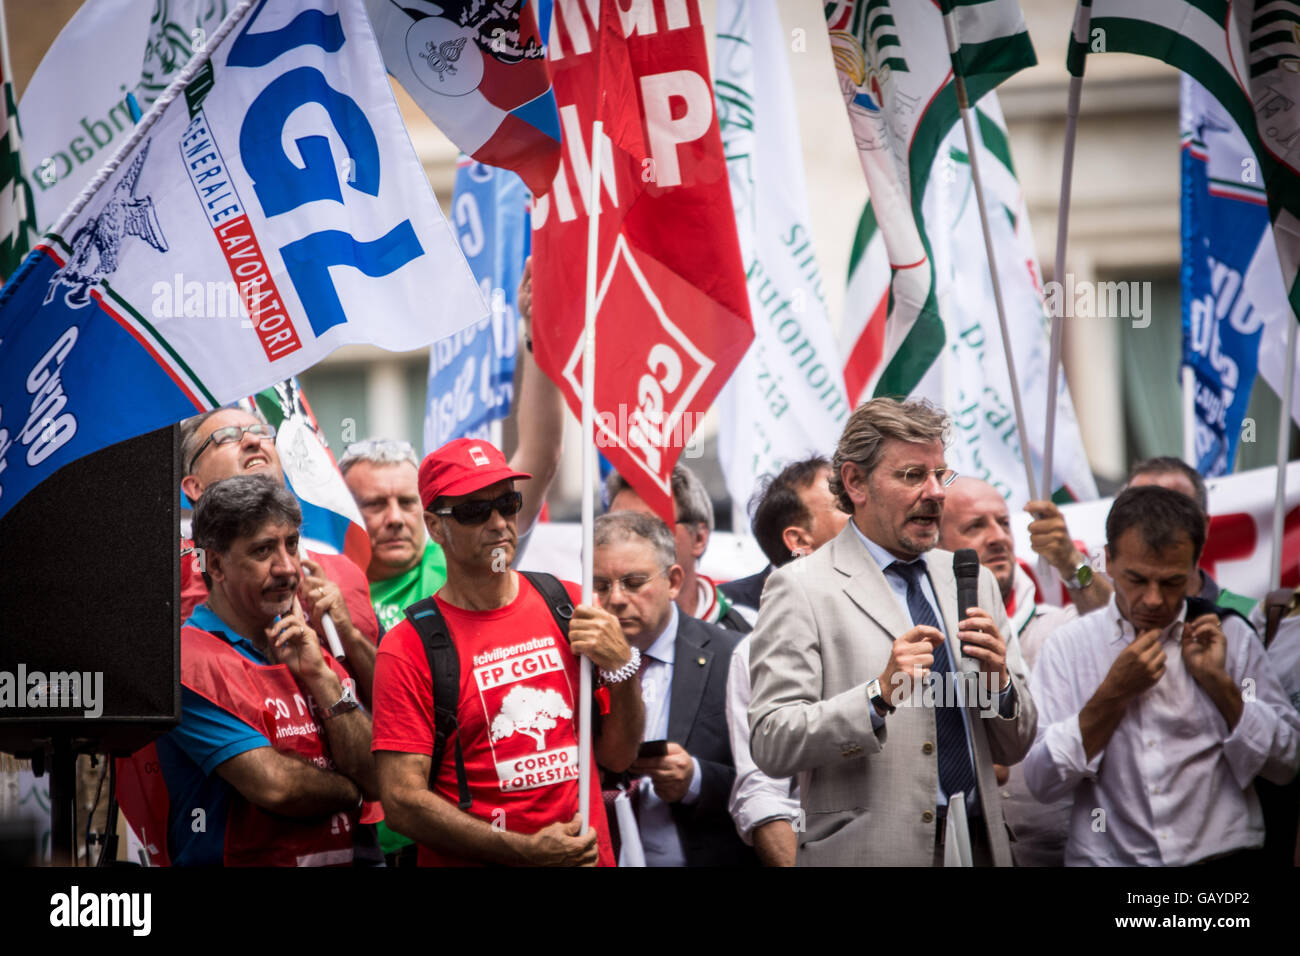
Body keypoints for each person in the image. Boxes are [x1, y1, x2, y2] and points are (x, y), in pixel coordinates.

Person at [749, 398, 1036, 866]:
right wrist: (877, 696)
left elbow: (1016, 744)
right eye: (911, 476)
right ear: (855, 482)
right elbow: (772, 741)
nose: (936, 492)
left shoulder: (972, 578)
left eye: (939, 474)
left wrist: (1000, 685)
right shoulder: (800, 587)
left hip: (983, 846)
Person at [370, 439, 645, 866]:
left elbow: (618, 756)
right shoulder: (407, 646)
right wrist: (524, 852)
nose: (499, 523)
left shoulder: (569, 605)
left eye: (508, 503)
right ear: (436, 526)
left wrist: (624, 667)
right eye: (475, 511)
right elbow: (402, 802)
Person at [1023, 486, 1300, 866]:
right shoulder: (1069, 647)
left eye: (1172, 582)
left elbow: (1287, 763)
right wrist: (1113, 695)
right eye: (1137, 579)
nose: (1153, 599)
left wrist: (1220, 686)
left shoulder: (1229, 634)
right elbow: (1042, 781)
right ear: (1108, 561)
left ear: (1195, 564)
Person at [121, 476, 379, 866]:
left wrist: (323, 679)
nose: (287, 568)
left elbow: (378, 774)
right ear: (216, 564)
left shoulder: (308, 643)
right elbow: (278, 787)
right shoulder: (187, 661)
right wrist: (353, 792)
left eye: (291, 544)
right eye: (263, 551)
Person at [340, 256, 566, 634]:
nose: (395, 519)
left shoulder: (465, 548)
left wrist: (537, 330)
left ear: (432, 520)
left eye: (408, 502)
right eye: (375, 504)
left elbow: (541, 455)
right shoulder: (324, 586)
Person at [179, 406, 379, 703]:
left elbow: (397, 710)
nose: (252, 441)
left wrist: (349, 636)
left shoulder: (343, 571)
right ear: (194, 486)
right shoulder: (167, 571)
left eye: (262, 433)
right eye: (227, 437)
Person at [592, 511, 755, 866]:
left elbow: (778, 783)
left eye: (633, 583)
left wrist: (697, 780)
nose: (616, 599)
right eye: (601, 585)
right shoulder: (575, 664)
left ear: (674, 581)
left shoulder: (734, 656)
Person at [939, 476, 1074, 866]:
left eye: (1003, 522)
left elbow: (1120, 628)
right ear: (935, 543)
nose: (998, 537)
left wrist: (1073, 566)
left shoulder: (1058, 626)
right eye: (975, 526)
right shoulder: (921, 638)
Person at [725, 456, 847, 866]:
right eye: (843, 502)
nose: (862, 506)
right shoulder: (756, 652)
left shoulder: (920, 608)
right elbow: (763, 793)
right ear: (798, 540)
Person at [606, 464, 750, 633]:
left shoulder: (747, 635)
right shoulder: (582, 639)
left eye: (648, 528)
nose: (627, 543)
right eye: (614, 529)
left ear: (699, 538)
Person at [1126, 456, 1256, 615]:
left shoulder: (1256, 619)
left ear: (1202, 526)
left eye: (1172, 511)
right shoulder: (1098, 625)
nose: (1153, 526)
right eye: (1138, 511)